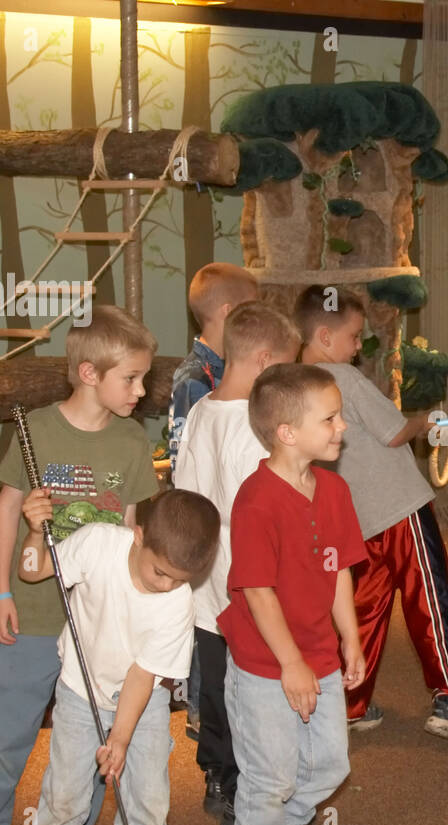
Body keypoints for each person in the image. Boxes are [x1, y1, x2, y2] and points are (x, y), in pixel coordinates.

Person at [0, 306, 160, 825]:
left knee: (91, 735)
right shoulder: (37, 430)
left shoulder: (131, 441)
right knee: (5, 734)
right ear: (90, 374)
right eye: (131, 378)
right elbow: (7, 509)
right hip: (29, 611)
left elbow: (126, 529)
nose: (142, 391)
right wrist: (0, 590)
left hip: (95, 622)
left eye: (143, 378)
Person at [297, 285, 448, 745]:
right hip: (400, 508)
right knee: (430, 599)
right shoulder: (341, 379)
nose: (356, 346)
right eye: (352, 336)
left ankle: (349, 703)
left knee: (363, 608)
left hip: (356, 522)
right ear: (325, 337)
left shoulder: (294, 382)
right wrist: (426, 421)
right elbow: (391, 432)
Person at [17, 488, 219, 825]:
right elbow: (31, 570)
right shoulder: (98, 544)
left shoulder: (178, 601)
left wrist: (120, 737)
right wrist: (33, 532)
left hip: (145, 704)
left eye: (178, 579)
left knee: (146, 798)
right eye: (159, 572)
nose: (165, 585)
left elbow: (143, 675)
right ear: (139, 536)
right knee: (65, 793)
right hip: (80, 692)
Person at [219, 363, 368, 825]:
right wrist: (291, 664)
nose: (341, 426)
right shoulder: (256, 501)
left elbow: (340, 569)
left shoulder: (335, 490)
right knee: (270, 777)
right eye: (329, 419)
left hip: (320, 655)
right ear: (287, 433)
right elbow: (258, 591)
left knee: (329, 765)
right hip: (265, 664)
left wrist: (350, 637)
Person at [173, 301, 302, 825]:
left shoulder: (201, 410)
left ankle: (222, 778)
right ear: (264, 360)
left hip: (210, 588)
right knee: (249, 688)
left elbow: (184, 494)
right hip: (247, 589)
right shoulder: (253, 427)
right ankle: (246, 783)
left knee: (219, 689)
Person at [168, 262, 259, 742]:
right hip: (203, 519)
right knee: (208, 617)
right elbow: (186, 456)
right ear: (229, 312)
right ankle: (205, 716)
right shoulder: (196, 379)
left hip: (230, 520)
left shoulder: (228, 373)